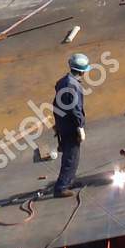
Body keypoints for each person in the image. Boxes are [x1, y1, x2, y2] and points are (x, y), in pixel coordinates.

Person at [49, 51, 90, 197]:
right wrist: (79, 126)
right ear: (82, 72)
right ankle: (61, 187)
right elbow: (75, 109)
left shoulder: (63, 81)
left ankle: (69, 180)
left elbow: (57, 104)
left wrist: (57, 124)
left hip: (63, 123)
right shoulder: (74, 86)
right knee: (71, 157)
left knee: (70, 155)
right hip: (70, 127)